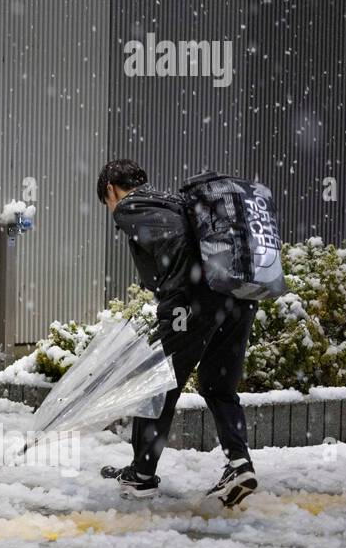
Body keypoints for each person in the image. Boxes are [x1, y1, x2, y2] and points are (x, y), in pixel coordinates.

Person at [96, 158, 259, 506]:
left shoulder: (131, 206)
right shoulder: (175, 201)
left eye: (107, 201)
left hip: (194, 301)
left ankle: (140, 475)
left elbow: (171, 252)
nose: (112, 210)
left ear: (111, 190)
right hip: (238, 296)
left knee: (156, 383)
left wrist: (176, 294)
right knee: (218, 385)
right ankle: (239, 462)